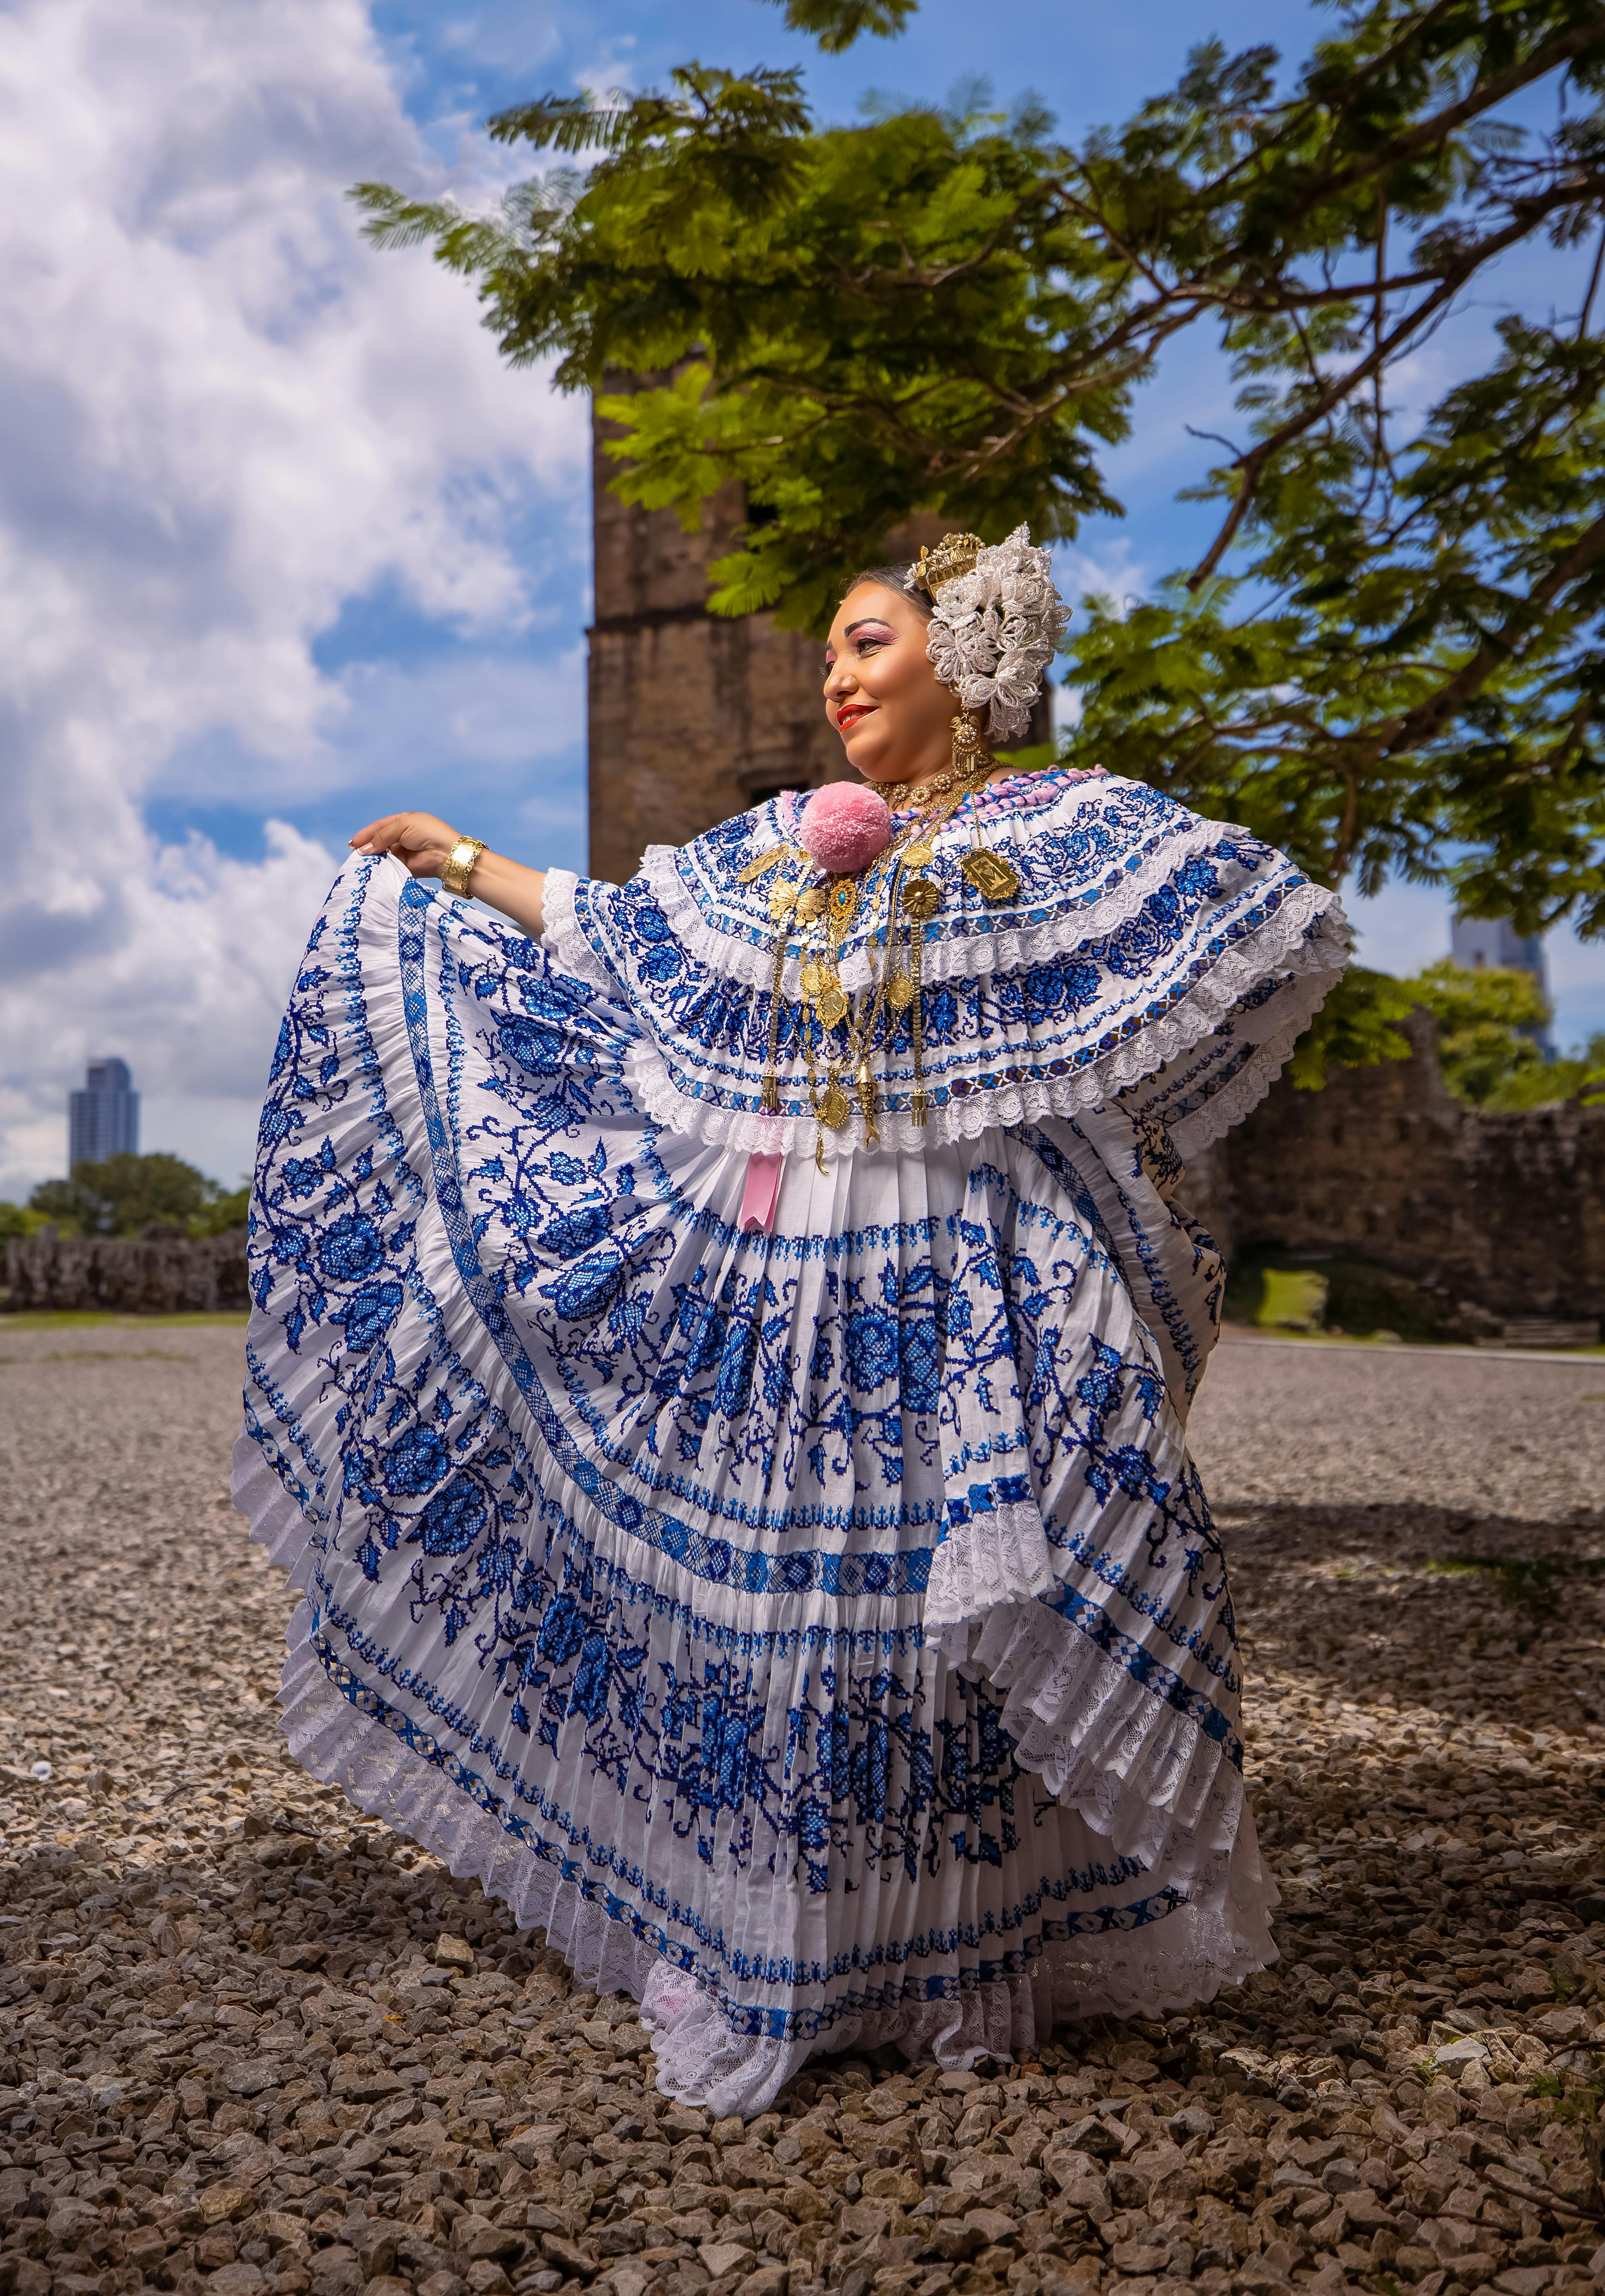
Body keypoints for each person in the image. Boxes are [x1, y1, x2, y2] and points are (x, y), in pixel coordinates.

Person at [233, 524, 1348, 2117]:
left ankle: (948, 1952)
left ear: (965, 668)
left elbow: (1243, 934)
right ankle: (772, 1945)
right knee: (778, 1616)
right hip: (782, 1296)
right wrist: (462, 866)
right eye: (828, 649)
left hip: (949, 1299)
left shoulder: (1058, 838)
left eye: (867, 643)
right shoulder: (782, 851)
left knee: (922, 1631)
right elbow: (627, 936)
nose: (833, 674)